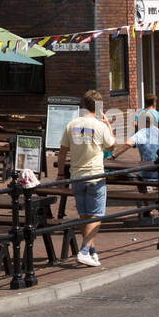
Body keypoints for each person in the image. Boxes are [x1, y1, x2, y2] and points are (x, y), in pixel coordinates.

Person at [56, 89, 115, 267]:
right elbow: (112, 146)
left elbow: (62, 152)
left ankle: (91, 250)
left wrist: (60, 174)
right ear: (98, 107)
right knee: (96, 215)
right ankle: (83, 250)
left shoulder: (71, 125)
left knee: (84, 215)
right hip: (95, 175)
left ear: (82, 105)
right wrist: (107, 124)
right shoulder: (100, 126)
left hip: (76, 176)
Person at [112, 110, 159, 183]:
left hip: (152, 173)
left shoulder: (142, 132)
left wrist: (113, 156)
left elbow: (128, 144)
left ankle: (145, 193)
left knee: (133, 176)